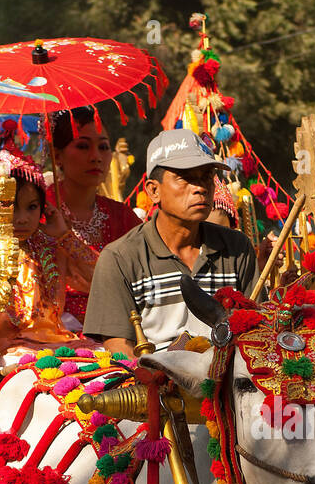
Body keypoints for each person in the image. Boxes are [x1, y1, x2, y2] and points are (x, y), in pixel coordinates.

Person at [85, 129, 258, 353]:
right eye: (185, 178)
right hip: (155, 379)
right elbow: (120, 346)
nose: (200, 188)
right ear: (154, 191)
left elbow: (255, 326)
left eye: (206, 177)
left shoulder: (237, 247)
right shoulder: (120, 258)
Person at [0, 145, 91, 367]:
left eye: (32, 207)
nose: (22, 218)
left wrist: (64, 235)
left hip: (58, 343)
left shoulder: (53, 246)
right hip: (7, 350)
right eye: (11, 207)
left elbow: (99, 280)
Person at [47, 108, 141, 337]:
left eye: (103, 146)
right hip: (51, 335)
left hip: (117, 331)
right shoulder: (38, 211)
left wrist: (66, 240)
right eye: (82, 146)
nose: (96, 156)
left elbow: (135, 282)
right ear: (57, 155)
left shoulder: (123, 217)